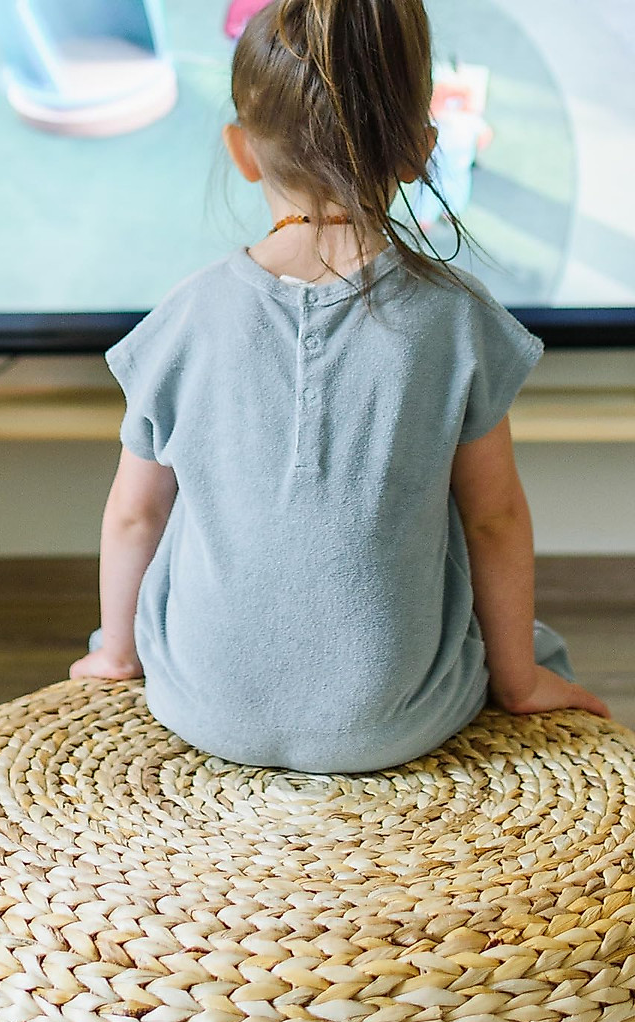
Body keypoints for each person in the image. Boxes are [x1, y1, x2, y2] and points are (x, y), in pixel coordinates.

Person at [69, 0, 609, 773]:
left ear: (242, 151)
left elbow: (133, 517)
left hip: (202, 702)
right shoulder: (456, 318)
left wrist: (116, 656)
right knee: (509, 613)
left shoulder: (184, 317)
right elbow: (494, 519)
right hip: (394, 722)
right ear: (422, 150)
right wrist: (520, 684)